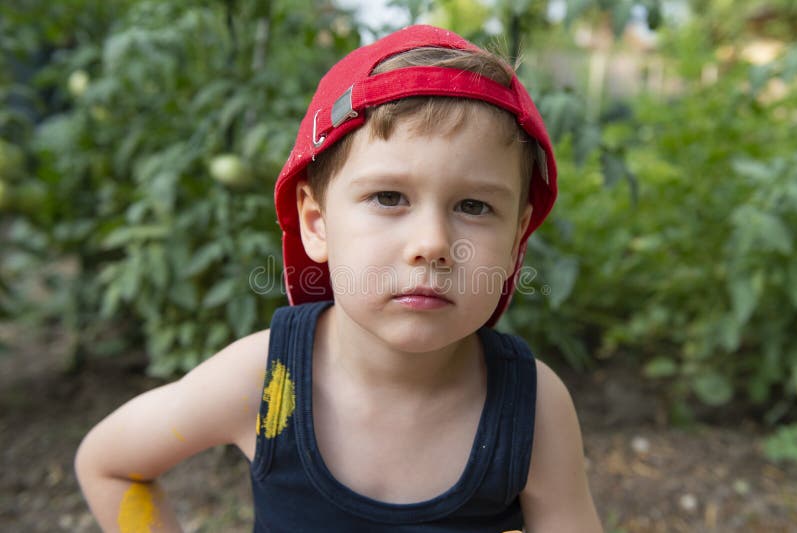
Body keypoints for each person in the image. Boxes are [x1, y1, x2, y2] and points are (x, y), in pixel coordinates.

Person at [76, 24, 602, 532]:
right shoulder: (263, 380)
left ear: (516, 239)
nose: (433, 244)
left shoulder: (531, 410)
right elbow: (110, 465)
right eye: (389, 198)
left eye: (474, 205)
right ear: (316, 223)